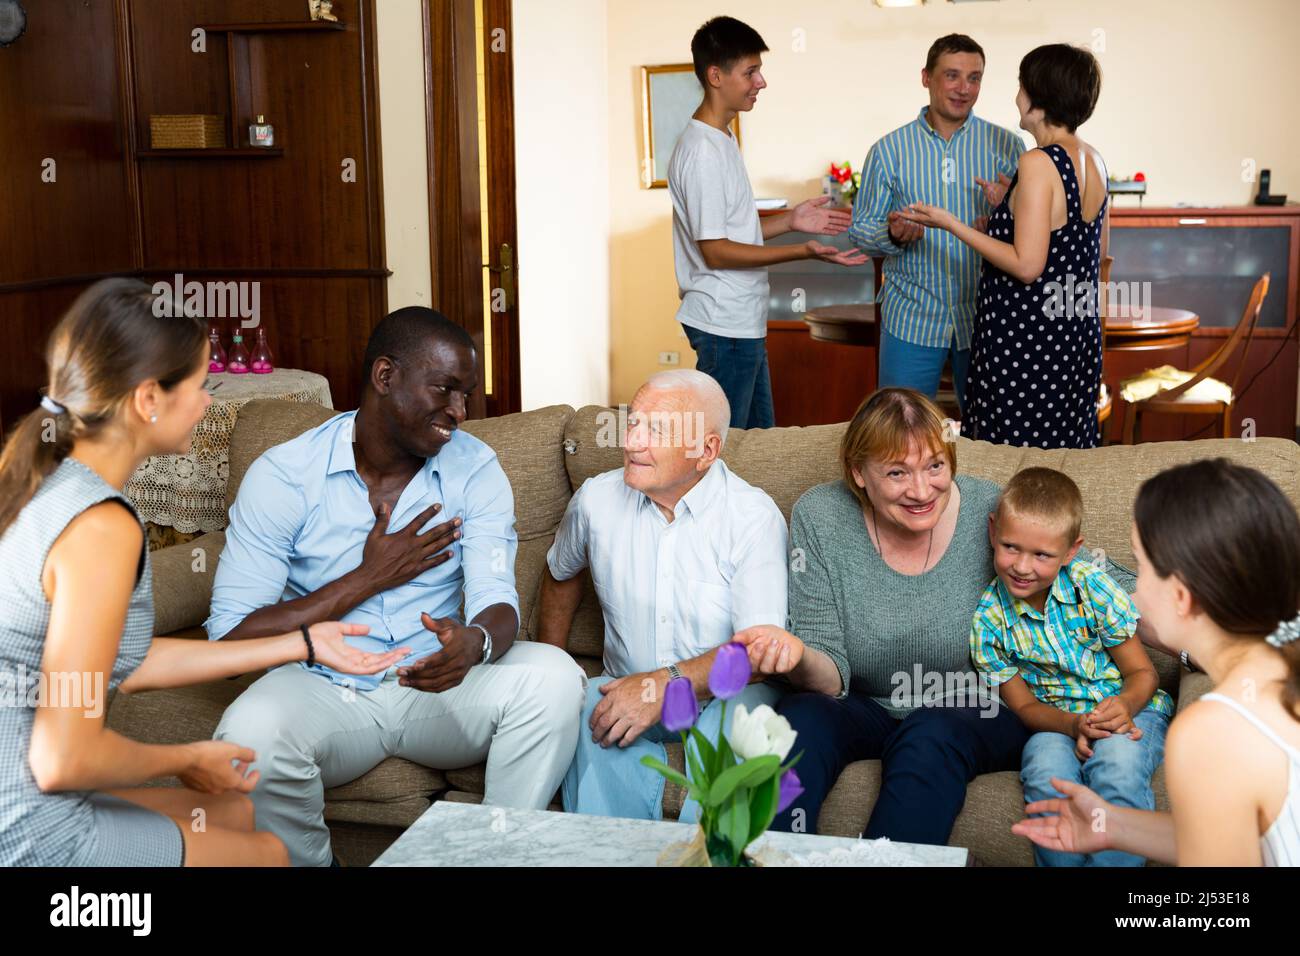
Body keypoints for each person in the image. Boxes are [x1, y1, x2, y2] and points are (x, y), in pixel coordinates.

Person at [0, 279, 408, 866]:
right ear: (148, 399)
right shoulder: (100, 526)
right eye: (200, 385)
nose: (210, 402)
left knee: (236, 815)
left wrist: (303, 643)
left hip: (34, 790)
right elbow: (65, 757)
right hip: (30, 827)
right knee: (267, 854)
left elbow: (123, 659)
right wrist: (186, 758)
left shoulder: (46, 482)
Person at [207, 306, 586, 866]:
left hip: (437, 686)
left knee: (555, 679)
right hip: (324, 689)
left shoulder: (475, 468)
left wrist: (475, 643)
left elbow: (496, 599)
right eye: (445, 390)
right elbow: (231, 643)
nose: (460, 412)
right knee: (246, 736)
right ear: (386, 377)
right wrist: (369, 577)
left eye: (467, 395)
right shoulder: (285, 476)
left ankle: (491, 861)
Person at [733, 388, 1029, 841]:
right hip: (864, 702)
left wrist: (1179, 643)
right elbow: (830, 677)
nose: (921, 490)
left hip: (971, 708)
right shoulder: (820, 515)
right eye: (897, 472)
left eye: (935, 465)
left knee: (930, 732)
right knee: (798, 720)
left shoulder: (990, 510)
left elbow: (1087, 578)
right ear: (859, 473)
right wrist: (797, 654)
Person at [1013, 459, 1300, 866]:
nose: (1130, 592)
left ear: (1181, 597)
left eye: (1141, 569)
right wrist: (1112, 825)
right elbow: (1231, 840)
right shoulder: (1278, 672)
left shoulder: (1209, 730)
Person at [538, 370, 788, 821]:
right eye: (633, 422)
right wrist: (552, 667)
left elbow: (756, 651)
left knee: (744, 730)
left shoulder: (753, 517)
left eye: (656, 430)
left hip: (728, 695)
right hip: (623, 687)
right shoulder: (596, 501)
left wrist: (664, 686)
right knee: (582, 705)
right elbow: (560, 574)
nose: (632, 442)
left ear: (706, 451)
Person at [902, 44, 1108, 448]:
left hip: (1026, 341)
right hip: (1074, 336)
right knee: (1061, 458)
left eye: (1021, 85)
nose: (1017, 95)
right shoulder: (1093, 158)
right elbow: (1088, 253)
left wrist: (950, 223)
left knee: (1009, 462)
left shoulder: (1037, 162)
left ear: (1037, 95)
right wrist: (1005, 213)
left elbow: (1027, 265)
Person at [670, 15, 866, 430]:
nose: (761, 82)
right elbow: (716, 251)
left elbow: (733, 232)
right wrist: (800, 249)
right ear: (716, 75)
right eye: (751, 72)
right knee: (724, 448)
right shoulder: (702, 151)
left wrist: (791, 220)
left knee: (757, 446)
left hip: (740, 321)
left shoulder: (722, 138)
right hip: (723, 324)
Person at [970, 467, 1172, 866]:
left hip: (1131, 708)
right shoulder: (988, 621)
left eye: (1042, 554)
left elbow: (1142, 673)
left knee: (1115, 766)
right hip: (1056, 722)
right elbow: (1025, 708)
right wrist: (1072, 725)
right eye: (1010, 547)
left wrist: (1125, 707)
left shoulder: (1092, 588)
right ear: (993, 532)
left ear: (1071, 550)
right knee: (1045, 773)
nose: (1023, 566)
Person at [850, 33, 1025, 409]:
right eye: (952, 76)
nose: (964, 88)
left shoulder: (1009, 147)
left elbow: (1029, 234)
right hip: (911, 315)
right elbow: (861, 230)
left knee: (990, 436)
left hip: (988, 315)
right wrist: (892, 234)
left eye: (974, 78)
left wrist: (1003, 218)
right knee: (899, 428)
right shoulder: (888, 150)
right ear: (926, 77)